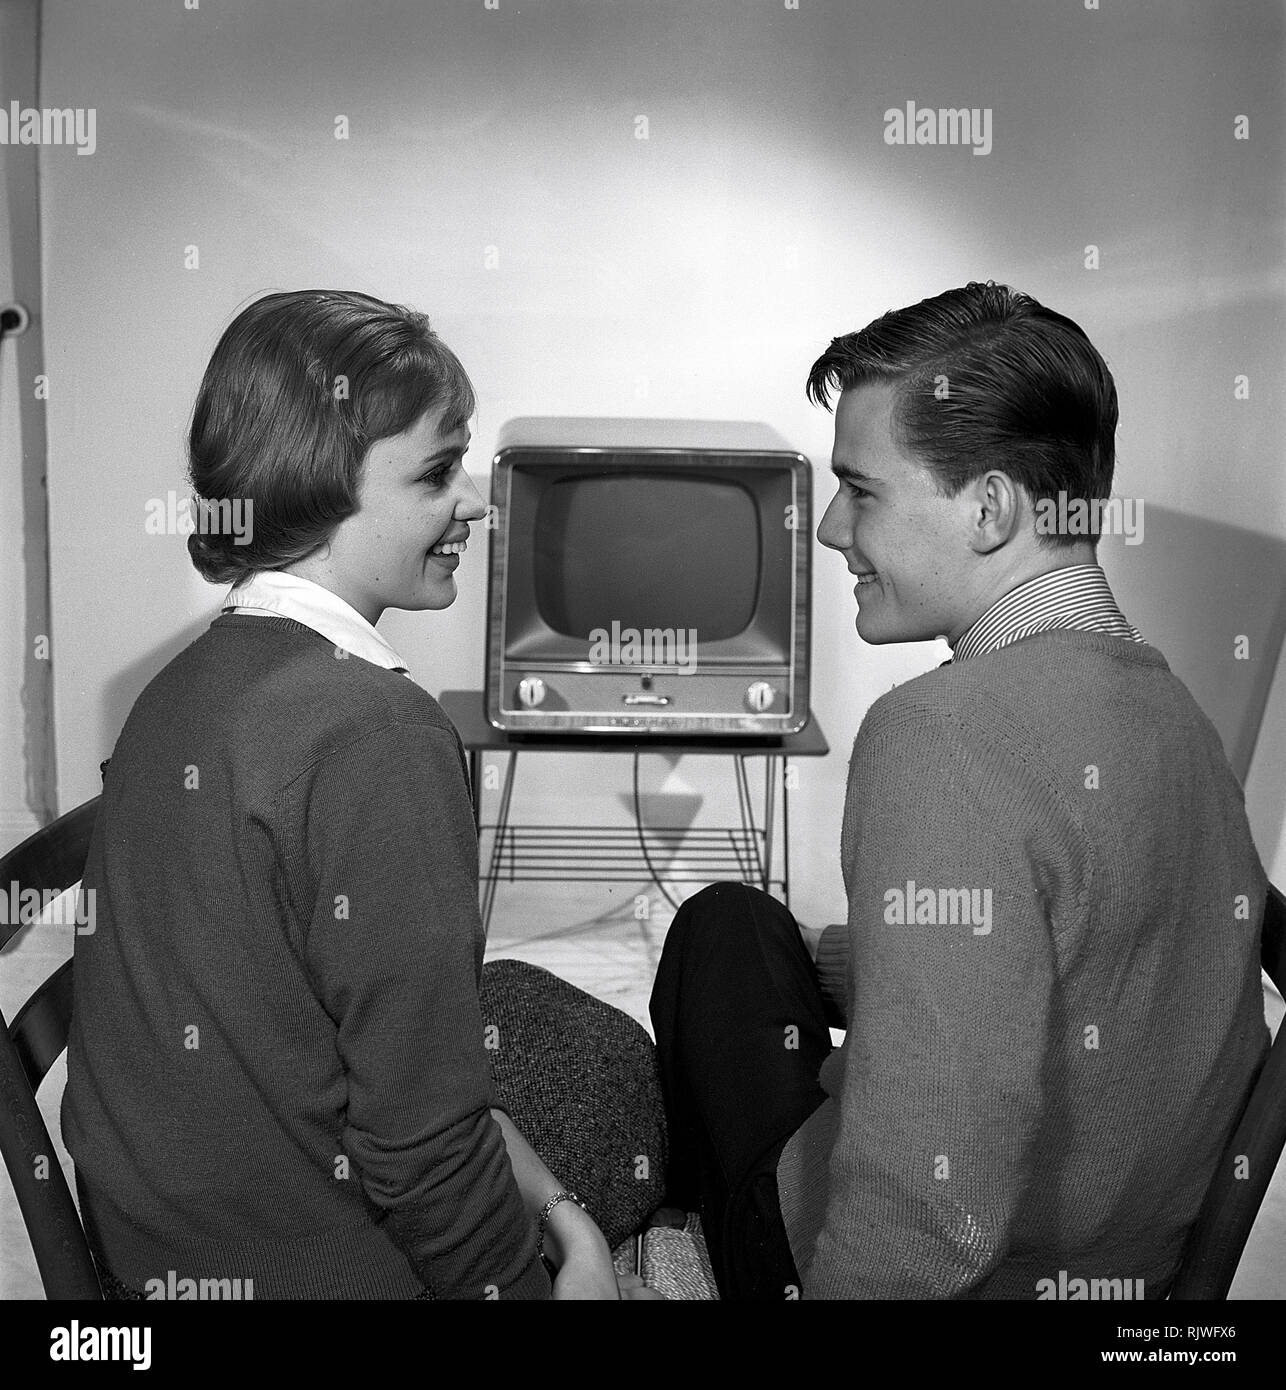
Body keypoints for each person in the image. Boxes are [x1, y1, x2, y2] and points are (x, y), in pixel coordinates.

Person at [649, 281, 1271, 1300]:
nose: (831, 529)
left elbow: (922, 1211)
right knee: (754, 928)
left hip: (950, 1267)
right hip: (1125, 1254)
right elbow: (1099, 950)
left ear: (988, 508)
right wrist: (889, 958)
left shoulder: (939, 737)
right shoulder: (1174, 715)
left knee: (717, 930)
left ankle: (696, 1244)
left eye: (861, 489)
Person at [62, 289, 659, 1300]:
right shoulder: (375, 734)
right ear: (316, 491)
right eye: (435, 472)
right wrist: (551, 1267)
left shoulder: (178, 684)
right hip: (309, 1260)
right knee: (613, 1063)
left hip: (167, 1233)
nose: (474, 499)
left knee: (521, 1009)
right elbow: (420, 1150)